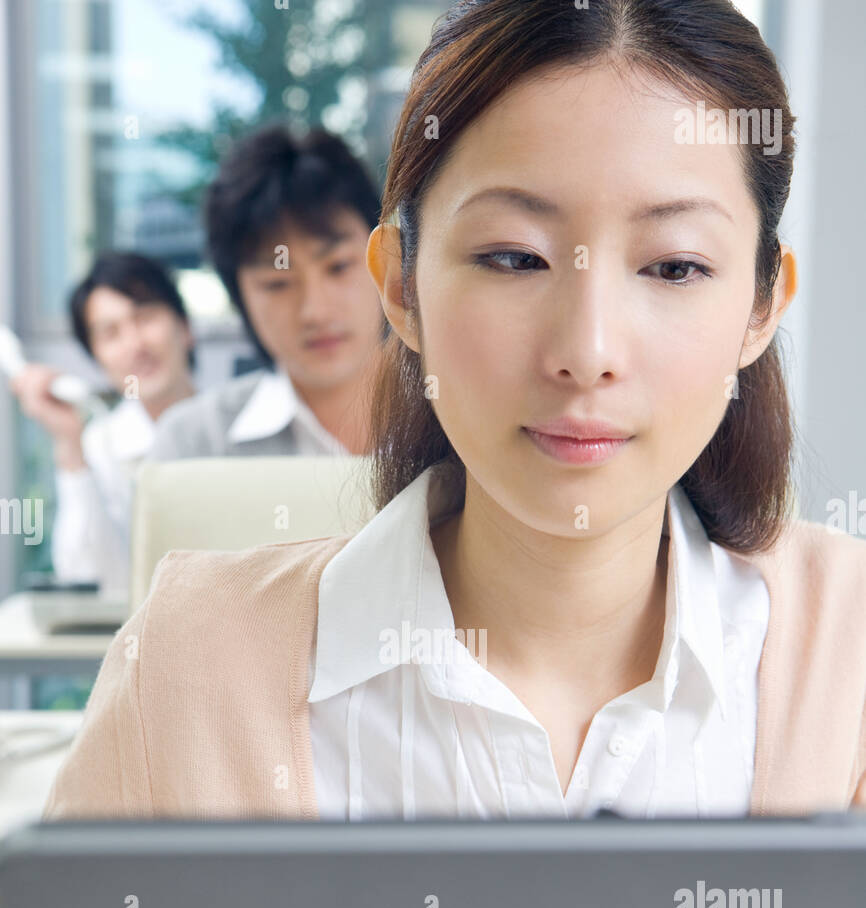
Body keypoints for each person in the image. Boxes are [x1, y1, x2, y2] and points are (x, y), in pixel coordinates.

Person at [40, 0, 866, 825]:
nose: (588, 349)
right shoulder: (189, 669)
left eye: (675, 267)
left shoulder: (849, 660)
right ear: (401, 287)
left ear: (762, 307)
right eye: (514, 257)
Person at [146, 125, 385, 463]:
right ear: (239, 296)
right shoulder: (192, 448)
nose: (315, 310)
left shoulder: (460, 416)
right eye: (277, 283)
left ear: (384, 257)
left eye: (338, 267)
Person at [10, 252, 195, 592]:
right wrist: (70, 445)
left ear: (185, 328)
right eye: (111, 334)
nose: (135, 345)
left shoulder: (240, 427)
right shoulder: (100, 445)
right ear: (96, 358)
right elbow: (87, 578)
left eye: (146, 317)